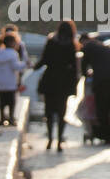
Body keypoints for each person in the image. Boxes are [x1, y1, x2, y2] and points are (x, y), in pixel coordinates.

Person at [34, 20, 80, 150]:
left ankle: (50, 139)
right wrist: (74, 84)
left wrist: (34, 67)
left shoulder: (51, 42)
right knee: (61, 112)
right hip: (64, 83)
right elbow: (74, 68)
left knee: (49, 112)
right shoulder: (72, 45)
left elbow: (44, 60)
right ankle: (59, 140)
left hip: (50, 81)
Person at [79, 32, 110, 141]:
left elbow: (84, 64)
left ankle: (106, 134)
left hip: (101, 81)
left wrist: (85, 75)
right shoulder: (103, 46)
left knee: (102, 107)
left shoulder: (88, 47)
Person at [0, 31, 24, 126]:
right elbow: (16, 67)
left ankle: (2, 119)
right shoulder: (13, 53)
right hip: (10, 82)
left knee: (2, 101)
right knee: (11, 102)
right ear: (12, 43)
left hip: (0, 82)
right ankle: (11, 118)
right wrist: (25, 64)